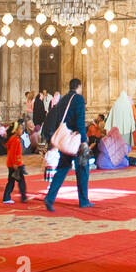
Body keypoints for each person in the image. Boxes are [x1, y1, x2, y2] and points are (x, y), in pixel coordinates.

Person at [43, 79, 93, 210]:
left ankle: (50, 197)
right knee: (82, 169)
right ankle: (84, 200)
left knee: (62, 169)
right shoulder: (78, 99)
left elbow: (58, 118)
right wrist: (83, 140)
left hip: (64, 139)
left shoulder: (63, 99)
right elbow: (80, 120)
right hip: (74, 139)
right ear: (79, 86)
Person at [2, 123, 29, 205]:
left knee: (11, 181)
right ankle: (22, 197)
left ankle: (7, 197)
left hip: (12, 164)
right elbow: (14, 153)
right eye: (20, 128)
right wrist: (16, 164)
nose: (22, 130)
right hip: (15, 165)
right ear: (15, 130)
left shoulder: (13, 139)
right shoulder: (15, 140)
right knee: (19, 181)